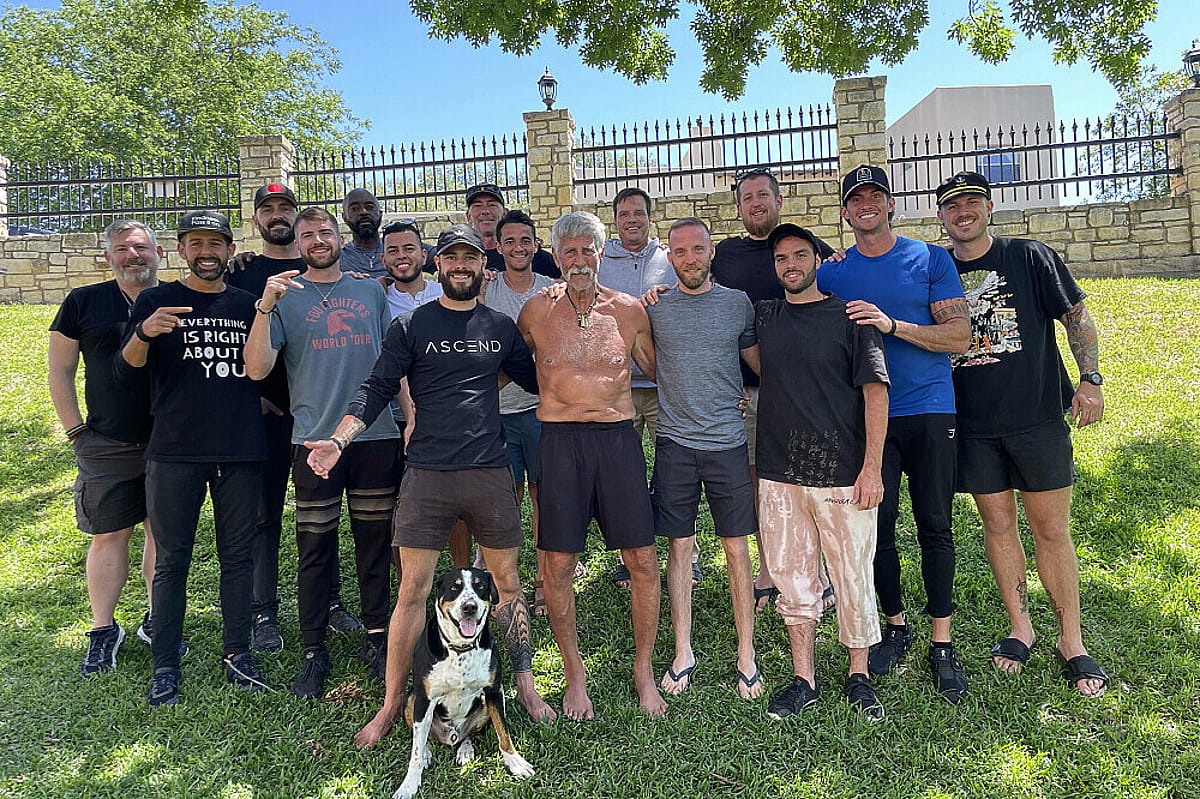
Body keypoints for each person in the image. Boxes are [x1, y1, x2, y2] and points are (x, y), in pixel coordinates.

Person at [314, 223, 552, 748]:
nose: (461, 265)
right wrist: (339, 439)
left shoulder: (500, 326)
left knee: (507, 587)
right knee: (413, 591)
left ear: (481, 266)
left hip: (490, 471)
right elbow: (377, 386)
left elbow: (536, 376)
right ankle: (391, 703)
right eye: (451, 258)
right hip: (426, 474)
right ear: (435, 264)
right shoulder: (412, 326)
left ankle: (524, 687)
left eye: (470, 257)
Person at [936, 171, 1109, 697]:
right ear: (941, 215)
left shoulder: (1030, 256)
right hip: (973, 425)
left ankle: (1071, 640)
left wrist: (1091, 379)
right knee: (997, 525)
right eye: (952, 205)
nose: (962, 212)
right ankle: (1021, 626)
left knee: (1051, 529)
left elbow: (1075, 316)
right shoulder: (936, 267)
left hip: (1037, 418)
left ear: (989, 207)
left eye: (971, 202)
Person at [816, 165, 971, 703]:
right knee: (876, 528)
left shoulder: (930, 258)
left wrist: (892, 325)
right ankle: (896, 624)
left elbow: (958, 337)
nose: (866, 205)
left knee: (935, 524)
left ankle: (941, 642)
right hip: (867, 422)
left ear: (890, 204)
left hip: (929, 409)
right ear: (844, 211)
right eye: (855, 198)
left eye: (875, 196)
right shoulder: (833, 274)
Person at [244, 206, 401, 699]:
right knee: (314, 548)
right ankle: (314, 651)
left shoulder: (369, 290)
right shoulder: (284, 296)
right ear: (297, 241)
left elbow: (390, 361)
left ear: (340, 238)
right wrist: (264, 306)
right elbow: (255, 369)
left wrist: (409, 418)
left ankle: (377, 638)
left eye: (325, 232)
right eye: (307, 233)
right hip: (312, 442)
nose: (317, 240)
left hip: (374, 437)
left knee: (375, 544)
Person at [517, 210, 666, 720]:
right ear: (555, 257)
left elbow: (661, 368)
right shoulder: (535, 311)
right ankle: (575, 675)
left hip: (617, 440)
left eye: (587, 250)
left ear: (601, 254)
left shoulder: (628, 311)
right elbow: (504, 368)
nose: (579, 261)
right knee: (557, 566)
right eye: (569, 252)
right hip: (558, 441)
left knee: (642, 561)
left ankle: (642, 671)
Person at [116, 210, 267, 706]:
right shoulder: (156, 301)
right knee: (172, 560)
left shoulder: (247, 304)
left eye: (216, 243)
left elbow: (266, 370)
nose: (207, 252)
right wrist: (145, 332)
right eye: (196, 243)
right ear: (180, 250)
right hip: (175, 452)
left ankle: (238, 652)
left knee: (237, 557)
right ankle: (165, 665)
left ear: (229, 249)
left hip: (240, 449)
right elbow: (126, 369)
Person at [756, 223, 890, 721]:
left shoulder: (852, 319)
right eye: (781, 258)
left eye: (799, 255)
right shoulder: (765, 316)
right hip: (780, 475)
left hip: (842, 474)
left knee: (853, 575)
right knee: (793, 580)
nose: (790, 264)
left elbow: (877, 394)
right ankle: (803, 678)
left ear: (818, 259)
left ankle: (859, 675)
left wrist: (871, 468)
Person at [644, 217, 761, 699]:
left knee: (736, 549)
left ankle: (747, 652)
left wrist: (750, 400)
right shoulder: (657, 308)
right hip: (674, 445)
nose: (690, 258)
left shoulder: (737, 304)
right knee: (680, 548)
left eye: (698, 249)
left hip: (729, 443)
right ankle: (683, 650)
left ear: (711, 253)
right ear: (669, 258)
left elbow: (762, 366)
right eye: (680, 252)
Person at [709, 167, 835, 610]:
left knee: (805, 480)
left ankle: (817, 570)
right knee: (756, 482)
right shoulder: (724, 254)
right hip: (746, 392)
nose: (756, 203)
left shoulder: (807, 247)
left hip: (804, 390)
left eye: (763, 195)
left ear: (778, 200)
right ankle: (768, 566)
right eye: (747, 198)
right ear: (739, 207)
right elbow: (694, 285)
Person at [49, 219, 169, 675]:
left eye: (141, 248)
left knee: (162, 534)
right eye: (123, 249)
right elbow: (60, 370)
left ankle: (159, 621)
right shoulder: (84, 302)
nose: (133, 256)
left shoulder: (177, 296)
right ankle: (103, 629)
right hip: (107, 440)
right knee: (109, 535)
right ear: (108, 257)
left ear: (159, 252)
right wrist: (75, 429)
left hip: (170, 440)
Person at [598, 188, 696, 589]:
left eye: (639, 212)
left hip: (664, 387)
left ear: (650, 218)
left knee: (676, 474)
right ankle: (630, 556)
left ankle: (684, 559)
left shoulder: (670, 260)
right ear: (615, 220)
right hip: (618, 388)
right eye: (624, 214)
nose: (631, 219)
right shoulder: (601, 260)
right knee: (626, 476)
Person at [480, 210, 556, 613]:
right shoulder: (486, 290)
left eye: (525, 240)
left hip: (540, 413)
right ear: (498, 246)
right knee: (501, 503)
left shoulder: (551, 290)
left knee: (543, 497)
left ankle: (545, 582)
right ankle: (500, 584)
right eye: (509, 241)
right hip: (495, 416)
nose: (518, 248)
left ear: (535, 245)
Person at [465, 183, 560, 278]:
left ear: (504, 213)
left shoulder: (532, 256)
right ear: (468, 216)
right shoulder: (462, 258)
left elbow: (565, 283)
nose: (485, 211)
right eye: (478, 205)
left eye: (492, 204)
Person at [339, 188, 386, 277]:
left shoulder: (399, 251)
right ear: (344, 217)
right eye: (354, 208)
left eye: (370, 207)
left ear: (380, 214)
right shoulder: (338, 258)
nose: (363, 212)